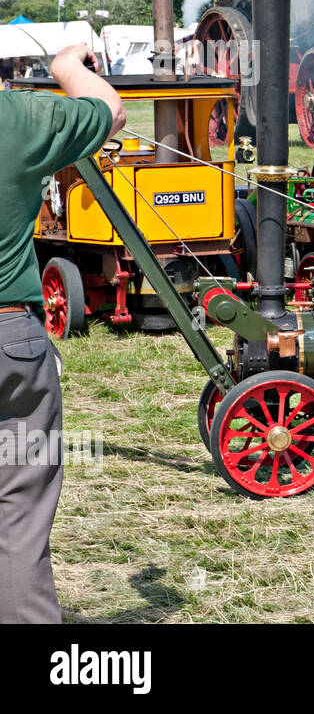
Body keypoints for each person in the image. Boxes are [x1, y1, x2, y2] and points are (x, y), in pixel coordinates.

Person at [1, 44, 124, 623]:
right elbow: (110, 112)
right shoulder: (19, 116)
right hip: (10, 337)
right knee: (19, 508)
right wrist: (68, 67)